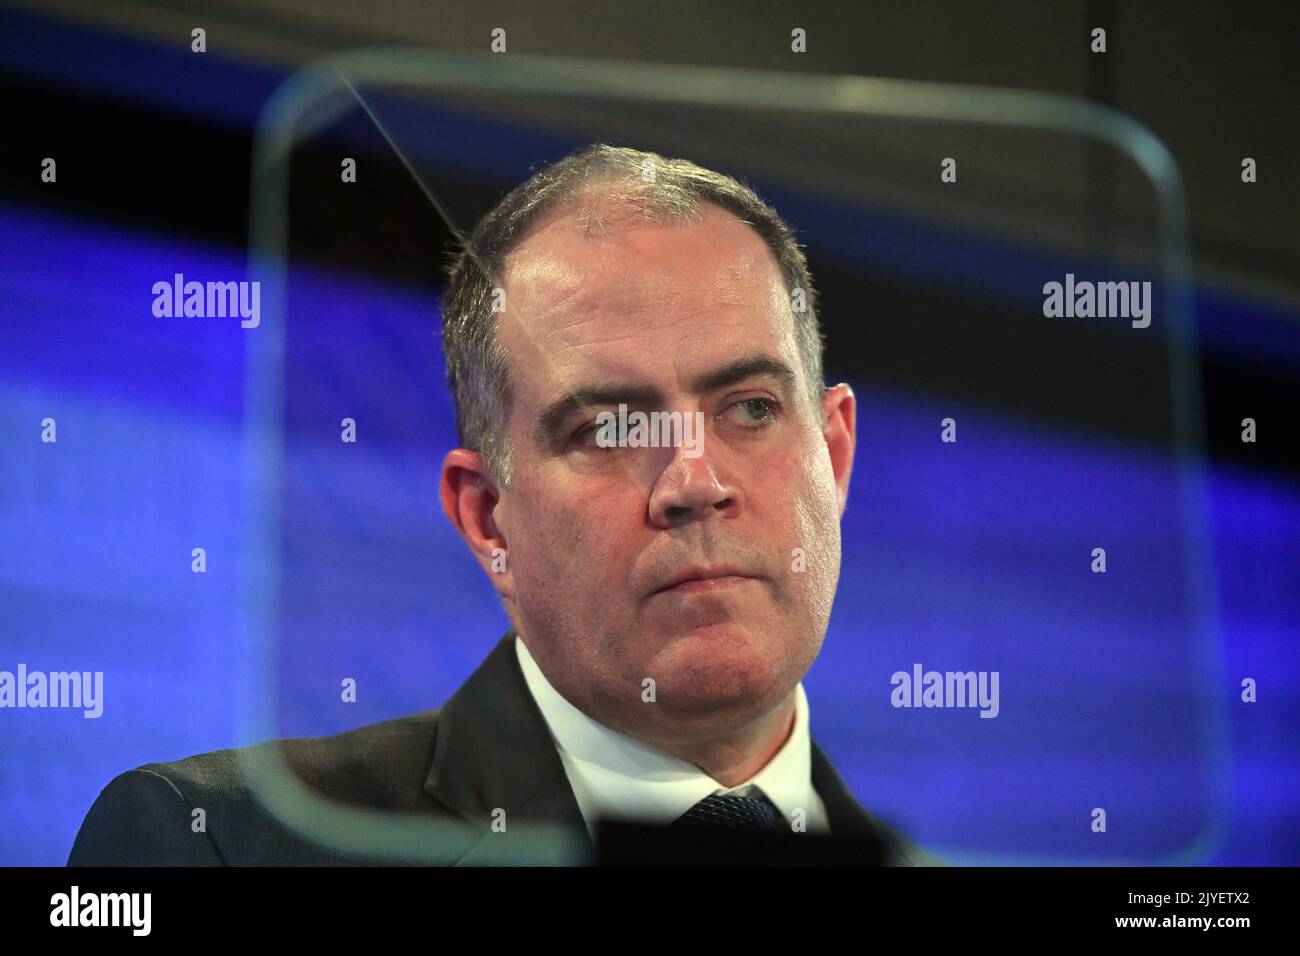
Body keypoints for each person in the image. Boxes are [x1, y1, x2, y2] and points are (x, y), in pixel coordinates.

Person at [68, 144, 938, 866]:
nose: (694, 482)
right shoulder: (211, 846)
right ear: (488, 519)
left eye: (750, 408)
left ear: (832, 456)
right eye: (607, 429)